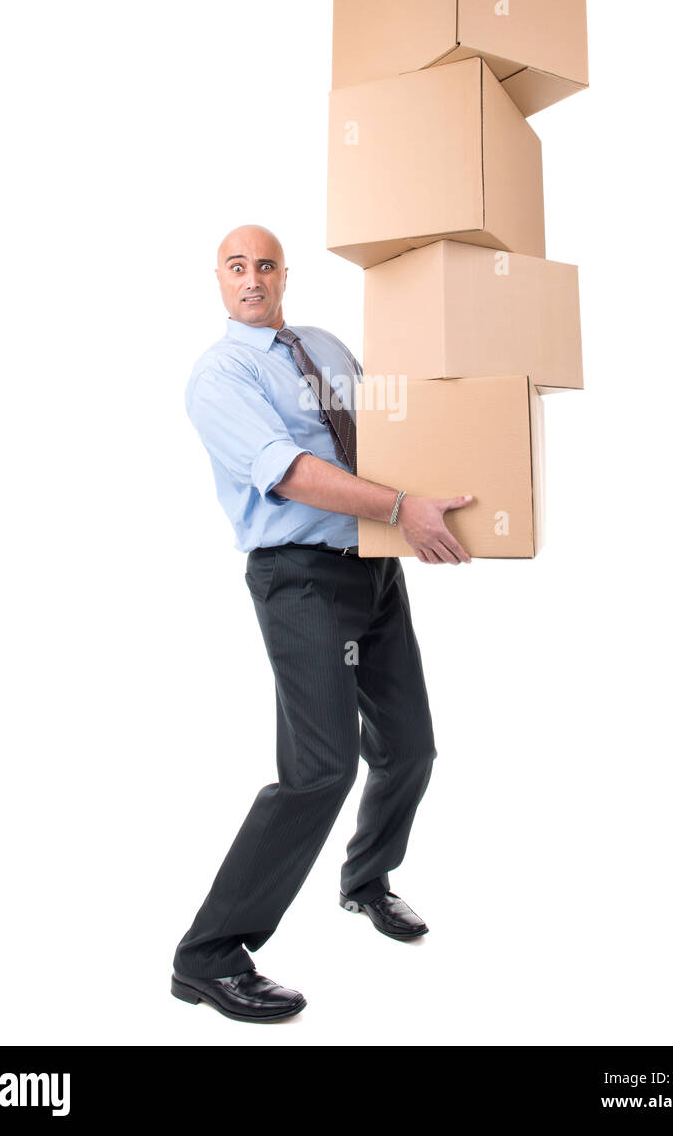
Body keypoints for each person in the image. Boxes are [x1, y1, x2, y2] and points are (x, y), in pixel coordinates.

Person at [171, 223, 473, 1023]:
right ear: (219, 279)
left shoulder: (326, 347)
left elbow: (385, 428)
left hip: (372, 566)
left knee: (410, 746)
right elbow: (298, 474)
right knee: (320, 769)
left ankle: (365, 882)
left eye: (265, 265)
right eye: (237, 266)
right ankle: (208, 956)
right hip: (299, 578)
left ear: (283, 275)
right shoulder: (220, 375)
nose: (252, 278)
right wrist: (404, 507)